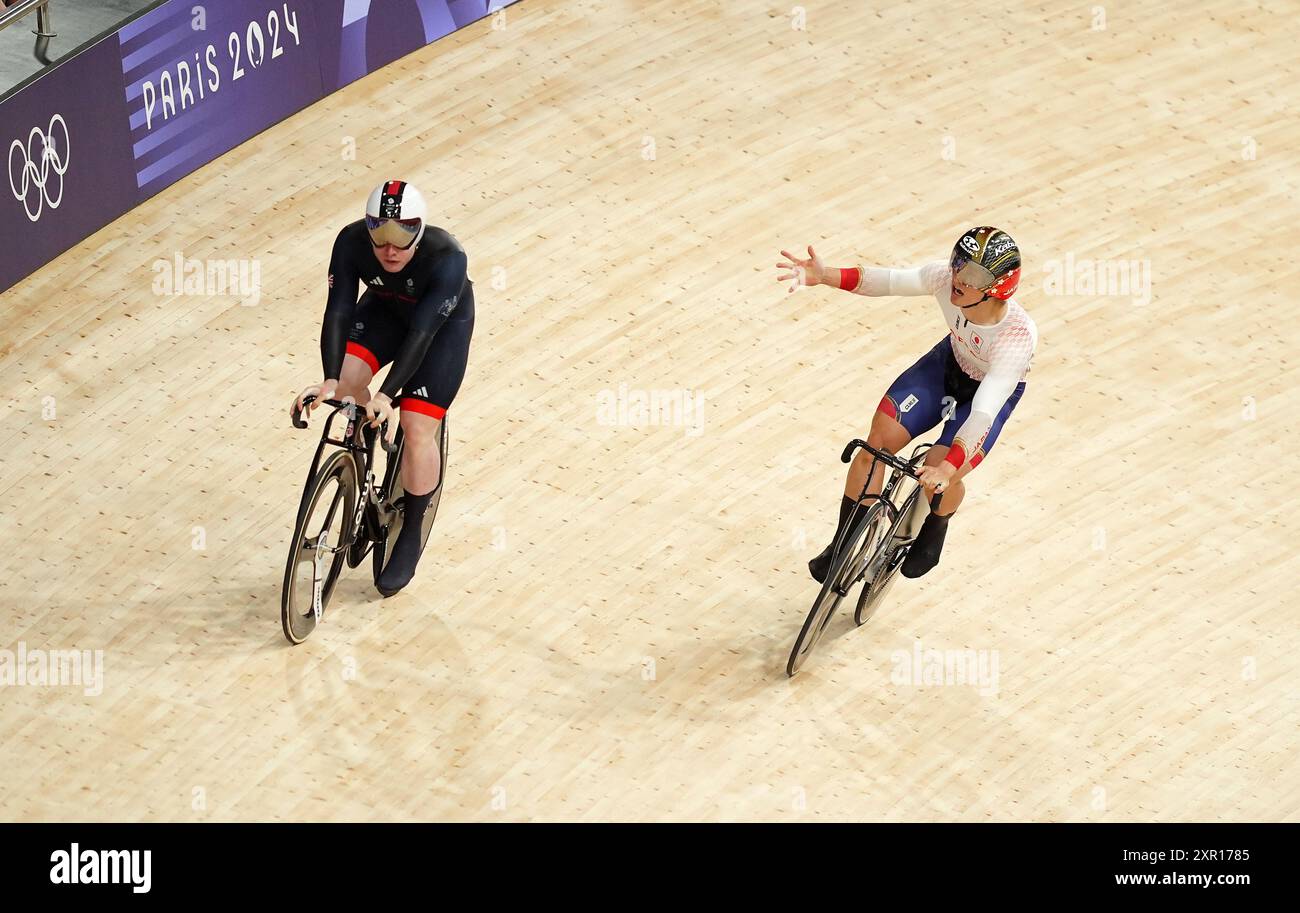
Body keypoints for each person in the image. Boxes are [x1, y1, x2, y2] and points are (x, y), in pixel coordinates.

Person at [776, 227, 1037, 581]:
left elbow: (984, 411)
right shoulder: (945, 278)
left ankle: (938, 521)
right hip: (948, 365)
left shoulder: (1016, 337)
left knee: (938, 467)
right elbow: (888, 281)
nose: (959, 277)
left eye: (973, 274)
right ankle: (842, 546)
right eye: (959, 262)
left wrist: (948, 469)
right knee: (874, 446)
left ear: (998, 287)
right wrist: (825, 276)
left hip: (984, 397)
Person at [293, 180, 474, 597]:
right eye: (381, 235)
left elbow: (422, 335)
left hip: (438, 329)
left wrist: (387, 395)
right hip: (384, 313)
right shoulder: (351, 242)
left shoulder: (448, 257)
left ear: (420, 230)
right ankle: (362, 450)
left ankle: (411, 529)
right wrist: (330, 380)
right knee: (349, 383)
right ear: (368, 227)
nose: (390, 249)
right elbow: (337, 310)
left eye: (403, 235)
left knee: (415, 425)